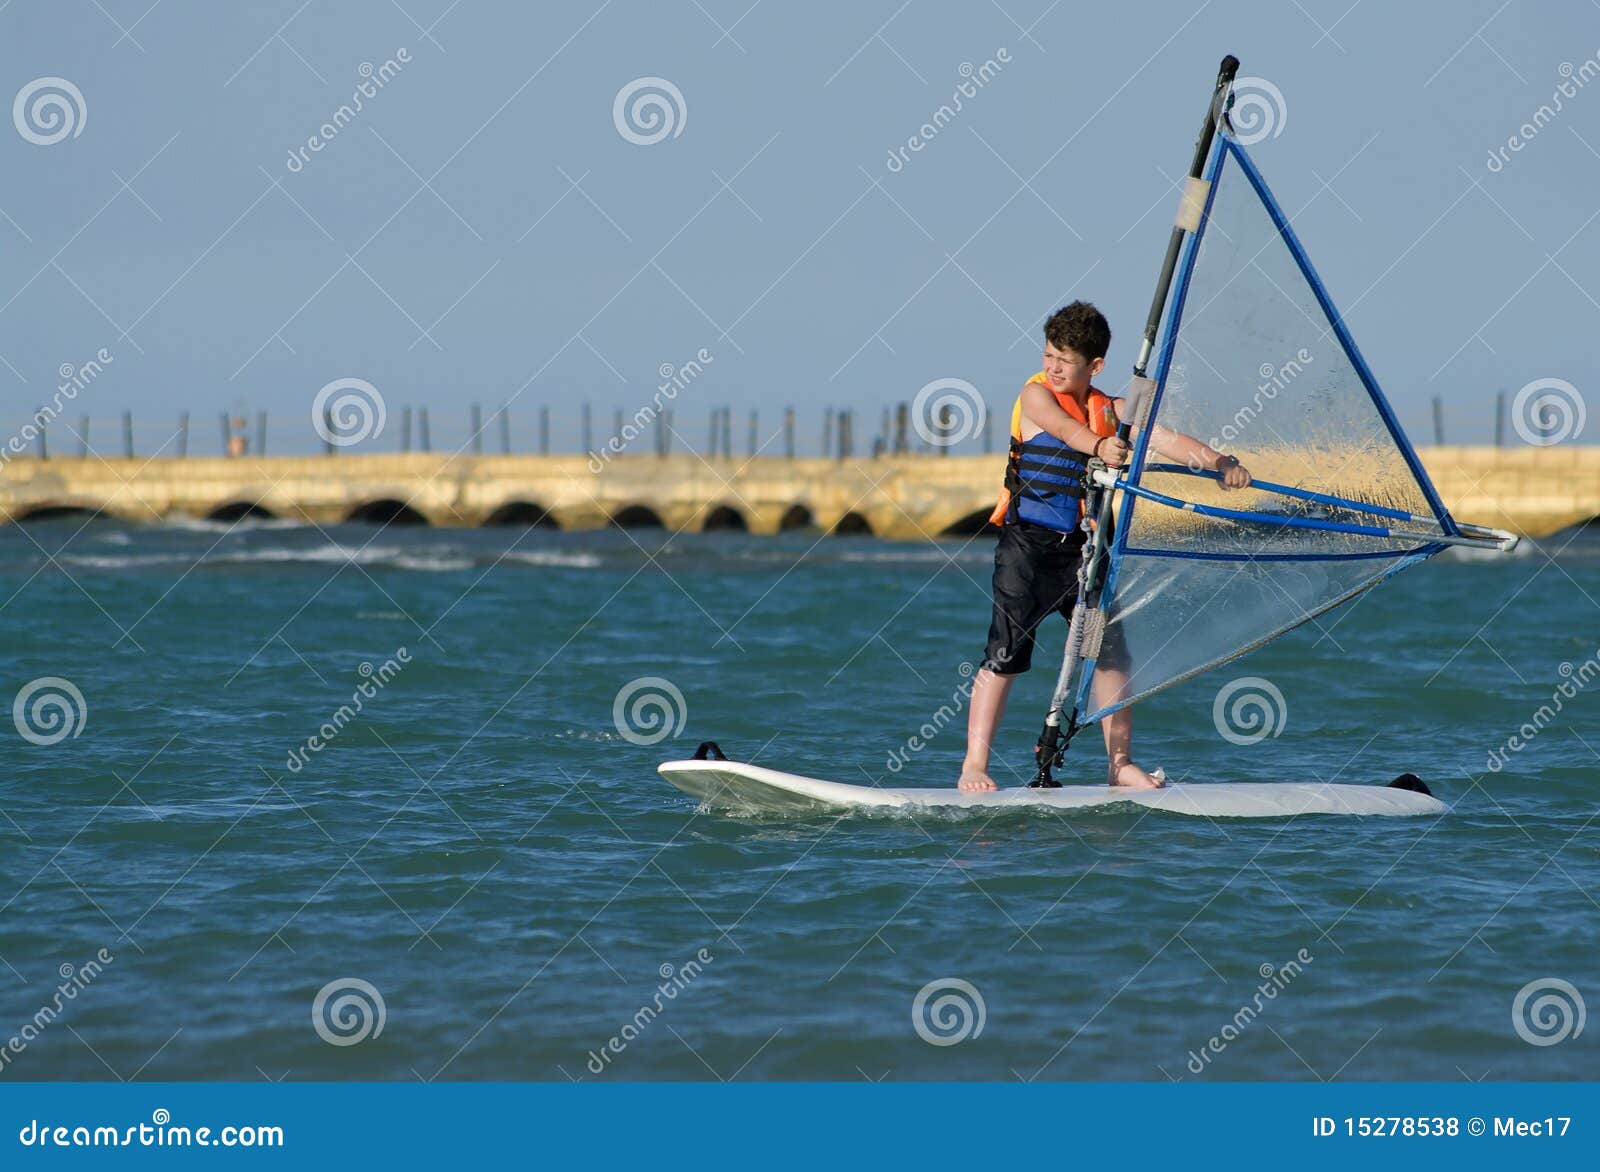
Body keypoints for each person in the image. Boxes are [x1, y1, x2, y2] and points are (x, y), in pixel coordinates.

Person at [957, 301, 1251, 793]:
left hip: (1085, 560)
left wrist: (1221, 461)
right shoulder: (1035, 396)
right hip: (1026, 554)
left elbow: (1164, 439)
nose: (1052, 366)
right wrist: (1098, 446)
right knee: (1005, 653)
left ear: (1094, 367)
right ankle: (974, 765)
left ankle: (1120, 764)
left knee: (1108, 653)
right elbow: (1065, 430)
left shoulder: (1111, 412)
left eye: (1064, 360)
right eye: (1048, 354)